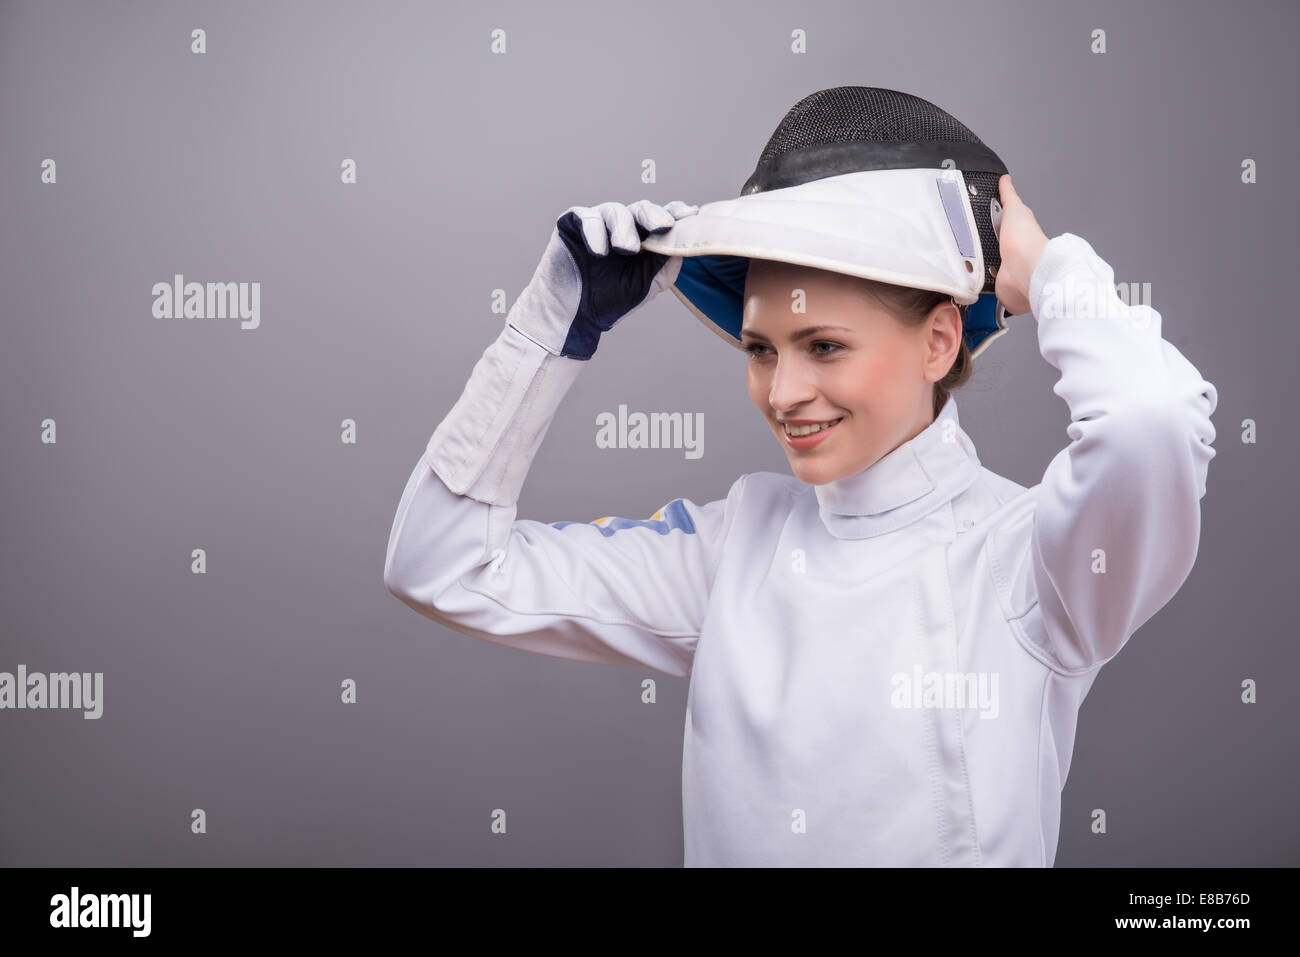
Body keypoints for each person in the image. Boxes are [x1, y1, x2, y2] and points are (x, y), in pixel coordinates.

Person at [383, 172, 1218, 867]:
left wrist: (1048, 269)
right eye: (760, 349)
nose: (782, 395)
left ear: (937, 343)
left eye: (823, 346)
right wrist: (547, 330)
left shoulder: (1032, 557)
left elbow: (1152, 419)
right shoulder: (730, 548)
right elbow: (441, 563)